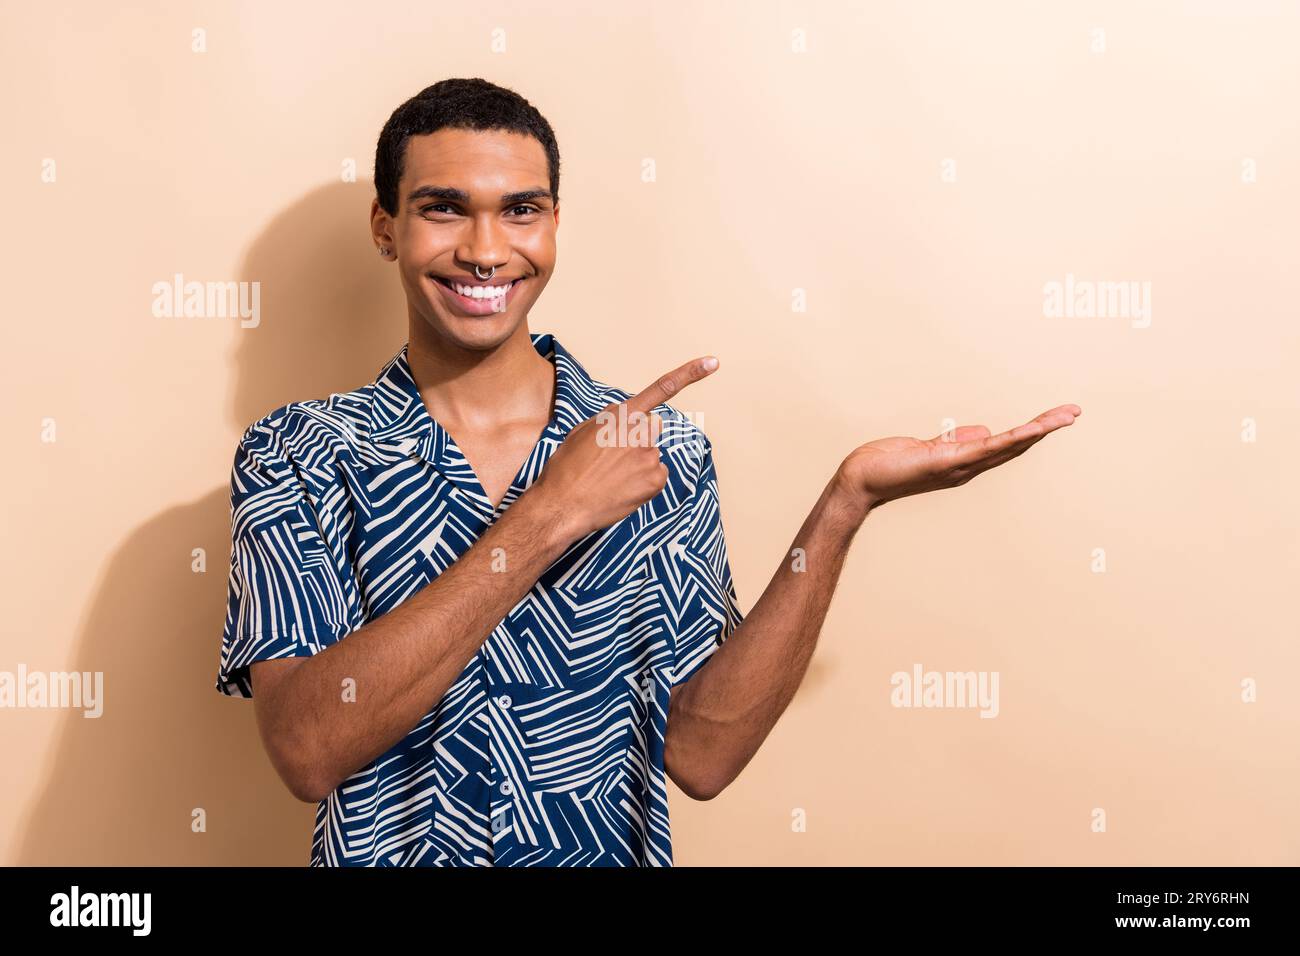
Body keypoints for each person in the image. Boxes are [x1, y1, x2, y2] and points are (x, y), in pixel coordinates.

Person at [215, 77, 1081, 867]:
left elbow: (701, 756)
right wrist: (552, 512)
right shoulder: (297, 453)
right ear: (386, 228)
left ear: (554, 225)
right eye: (445, 210)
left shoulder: (657, 447)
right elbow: (307, 748)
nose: (487, 250)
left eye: (522, 211)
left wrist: (847, 502)